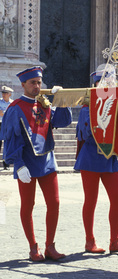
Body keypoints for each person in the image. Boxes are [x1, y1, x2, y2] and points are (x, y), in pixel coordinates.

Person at [0, 66, 72, 261]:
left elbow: (62, 122)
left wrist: (62, 102)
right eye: (32, 83)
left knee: (54, 203)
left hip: (47, 160)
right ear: (23, 85)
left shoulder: (45, 104)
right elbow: (11, 138)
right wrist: (18, 164)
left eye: (39, 82)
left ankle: (50, 245)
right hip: (26, 162)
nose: (37, 86)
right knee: (28, 205)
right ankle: (33, 247)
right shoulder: (15, 108)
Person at [74, 69, 118, 254]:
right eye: (106, 82)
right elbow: (87, 134)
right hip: (91, 157)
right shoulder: (86, 107)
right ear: (96, 84)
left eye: (112, 82)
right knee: (90, 200)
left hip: (109, 159)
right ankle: (89, 241)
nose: (110, 85)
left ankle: (114, 241)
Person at [0, 86, 14, 170]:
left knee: (7, 144)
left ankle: (6, 164)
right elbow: (1, 113)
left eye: (5, 93)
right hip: (0, 123)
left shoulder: (13, 103)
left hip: (8, 125)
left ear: (10, 94)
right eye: (3, 93)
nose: (3, 94)